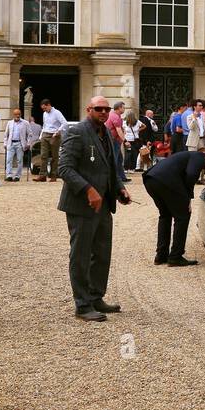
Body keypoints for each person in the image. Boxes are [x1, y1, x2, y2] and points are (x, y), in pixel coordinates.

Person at [57, 95, 131, 321]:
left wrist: (119, 189)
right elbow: (64, 168)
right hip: (81, 205)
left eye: (106, 109)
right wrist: (88, 190)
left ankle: (95, 296)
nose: (103, 112)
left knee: (101, 253)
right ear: (88, 109)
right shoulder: (77, 131)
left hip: (104, 205)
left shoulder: (106, 132)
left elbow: (109, 167)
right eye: (98, 108)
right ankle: (82, 305)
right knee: (80, 255)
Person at [142, 149, 205, 267]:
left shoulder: (185, 157)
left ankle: (161, 256)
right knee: (183, 216)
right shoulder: (200, 155)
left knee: (165, 215)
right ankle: (175, 256)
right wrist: (188, 197)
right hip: (165, 180)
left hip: (151, 179)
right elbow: (191, 174)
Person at [35, 98, 67, 182]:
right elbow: (45, 125)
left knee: (54, 156)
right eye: (43, 109)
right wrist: (41, 136)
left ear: (49, 105)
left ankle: (53, 175)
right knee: (43, 155)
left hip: (54, 135)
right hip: (45, 134)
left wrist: (58, 131)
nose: (44, 110)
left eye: (45, 108)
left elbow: (65, 123)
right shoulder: (44, 114)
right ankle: (42, 175)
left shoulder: (57, 113)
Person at [4, 108, 32, 181]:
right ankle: (9, 175)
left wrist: (28, 143)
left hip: (20, 143)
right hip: (11, 143)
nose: (18, 115)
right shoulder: (9, 123)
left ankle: (17, 176)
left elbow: (30, 134)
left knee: (19, 160)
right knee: (8, 160)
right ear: (13, 115)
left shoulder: (25, 123)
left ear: (21, 114)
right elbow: (6, 134)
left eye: (19, 114)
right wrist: (5, 143)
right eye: (16, 114)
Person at [105, 101, 129, 183]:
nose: (124, 109)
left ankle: (122, 177)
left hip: (114, 140)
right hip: (114, 141)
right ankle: (114, 179)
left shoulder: (114, 115)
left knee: (119, 159)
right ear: (119, 108)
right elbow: (118, 130)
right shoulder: (115, 117)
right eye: (123, 107)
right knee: (114, 160)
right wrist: (125, 141)